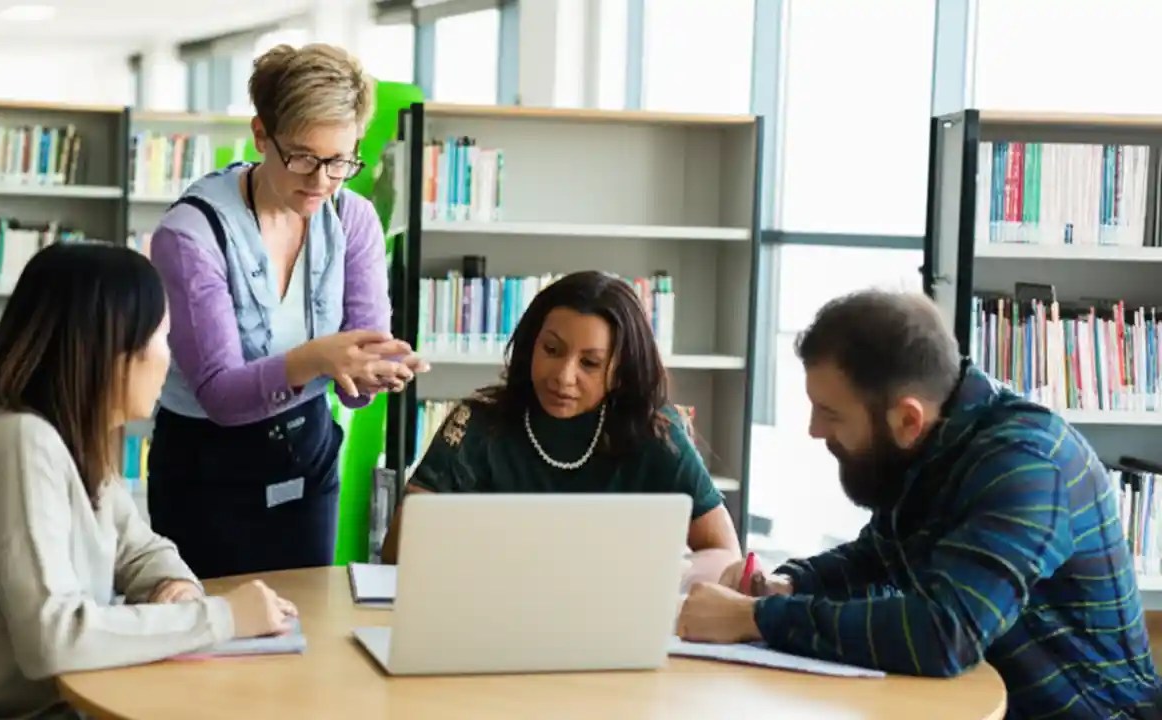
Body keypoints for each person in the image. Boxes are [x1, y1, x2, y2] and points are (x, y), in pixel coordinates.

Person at [676, 289, 1162, 719]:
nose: (814, 430)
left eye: (830, 412)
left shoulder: (1027, 466)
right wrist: (782, 584)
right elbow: (877, 555)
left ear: (908, 418)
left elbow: (943, 633)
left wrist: (754, 620)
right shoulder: (936, 445)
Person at [0, 243, 298, 720]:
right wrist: (223, 617)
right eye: (163, 336)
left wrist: (171, 589)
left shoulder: (73, 441)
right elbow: (55, 638)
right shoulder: (21, 442)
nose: (170, 356)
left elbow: (141, 551)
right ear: (113, 350)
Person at [147, 42, 427, 579]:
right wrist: (320, 358)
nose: (322, 179)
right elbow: (221, 396)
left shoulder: (354, 219)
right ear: (260, 135)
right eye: (301, 156)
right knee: (208, 641)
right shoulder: (192, 234)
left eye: (340, 160)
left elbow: (358, 380)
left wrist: (374, 371)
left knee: (307, 631)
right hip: (206, 466)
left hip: (307, 455)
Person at [380, 270, 741, 569]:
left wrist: (661, 581)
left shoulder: (656, 431)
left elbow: (725, 555)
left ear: (620, 371)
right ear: (530, 344)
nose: (564, 377)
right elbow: (400, 552)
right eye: (551, 350)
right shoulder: (477, 422)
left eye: (590, 363)